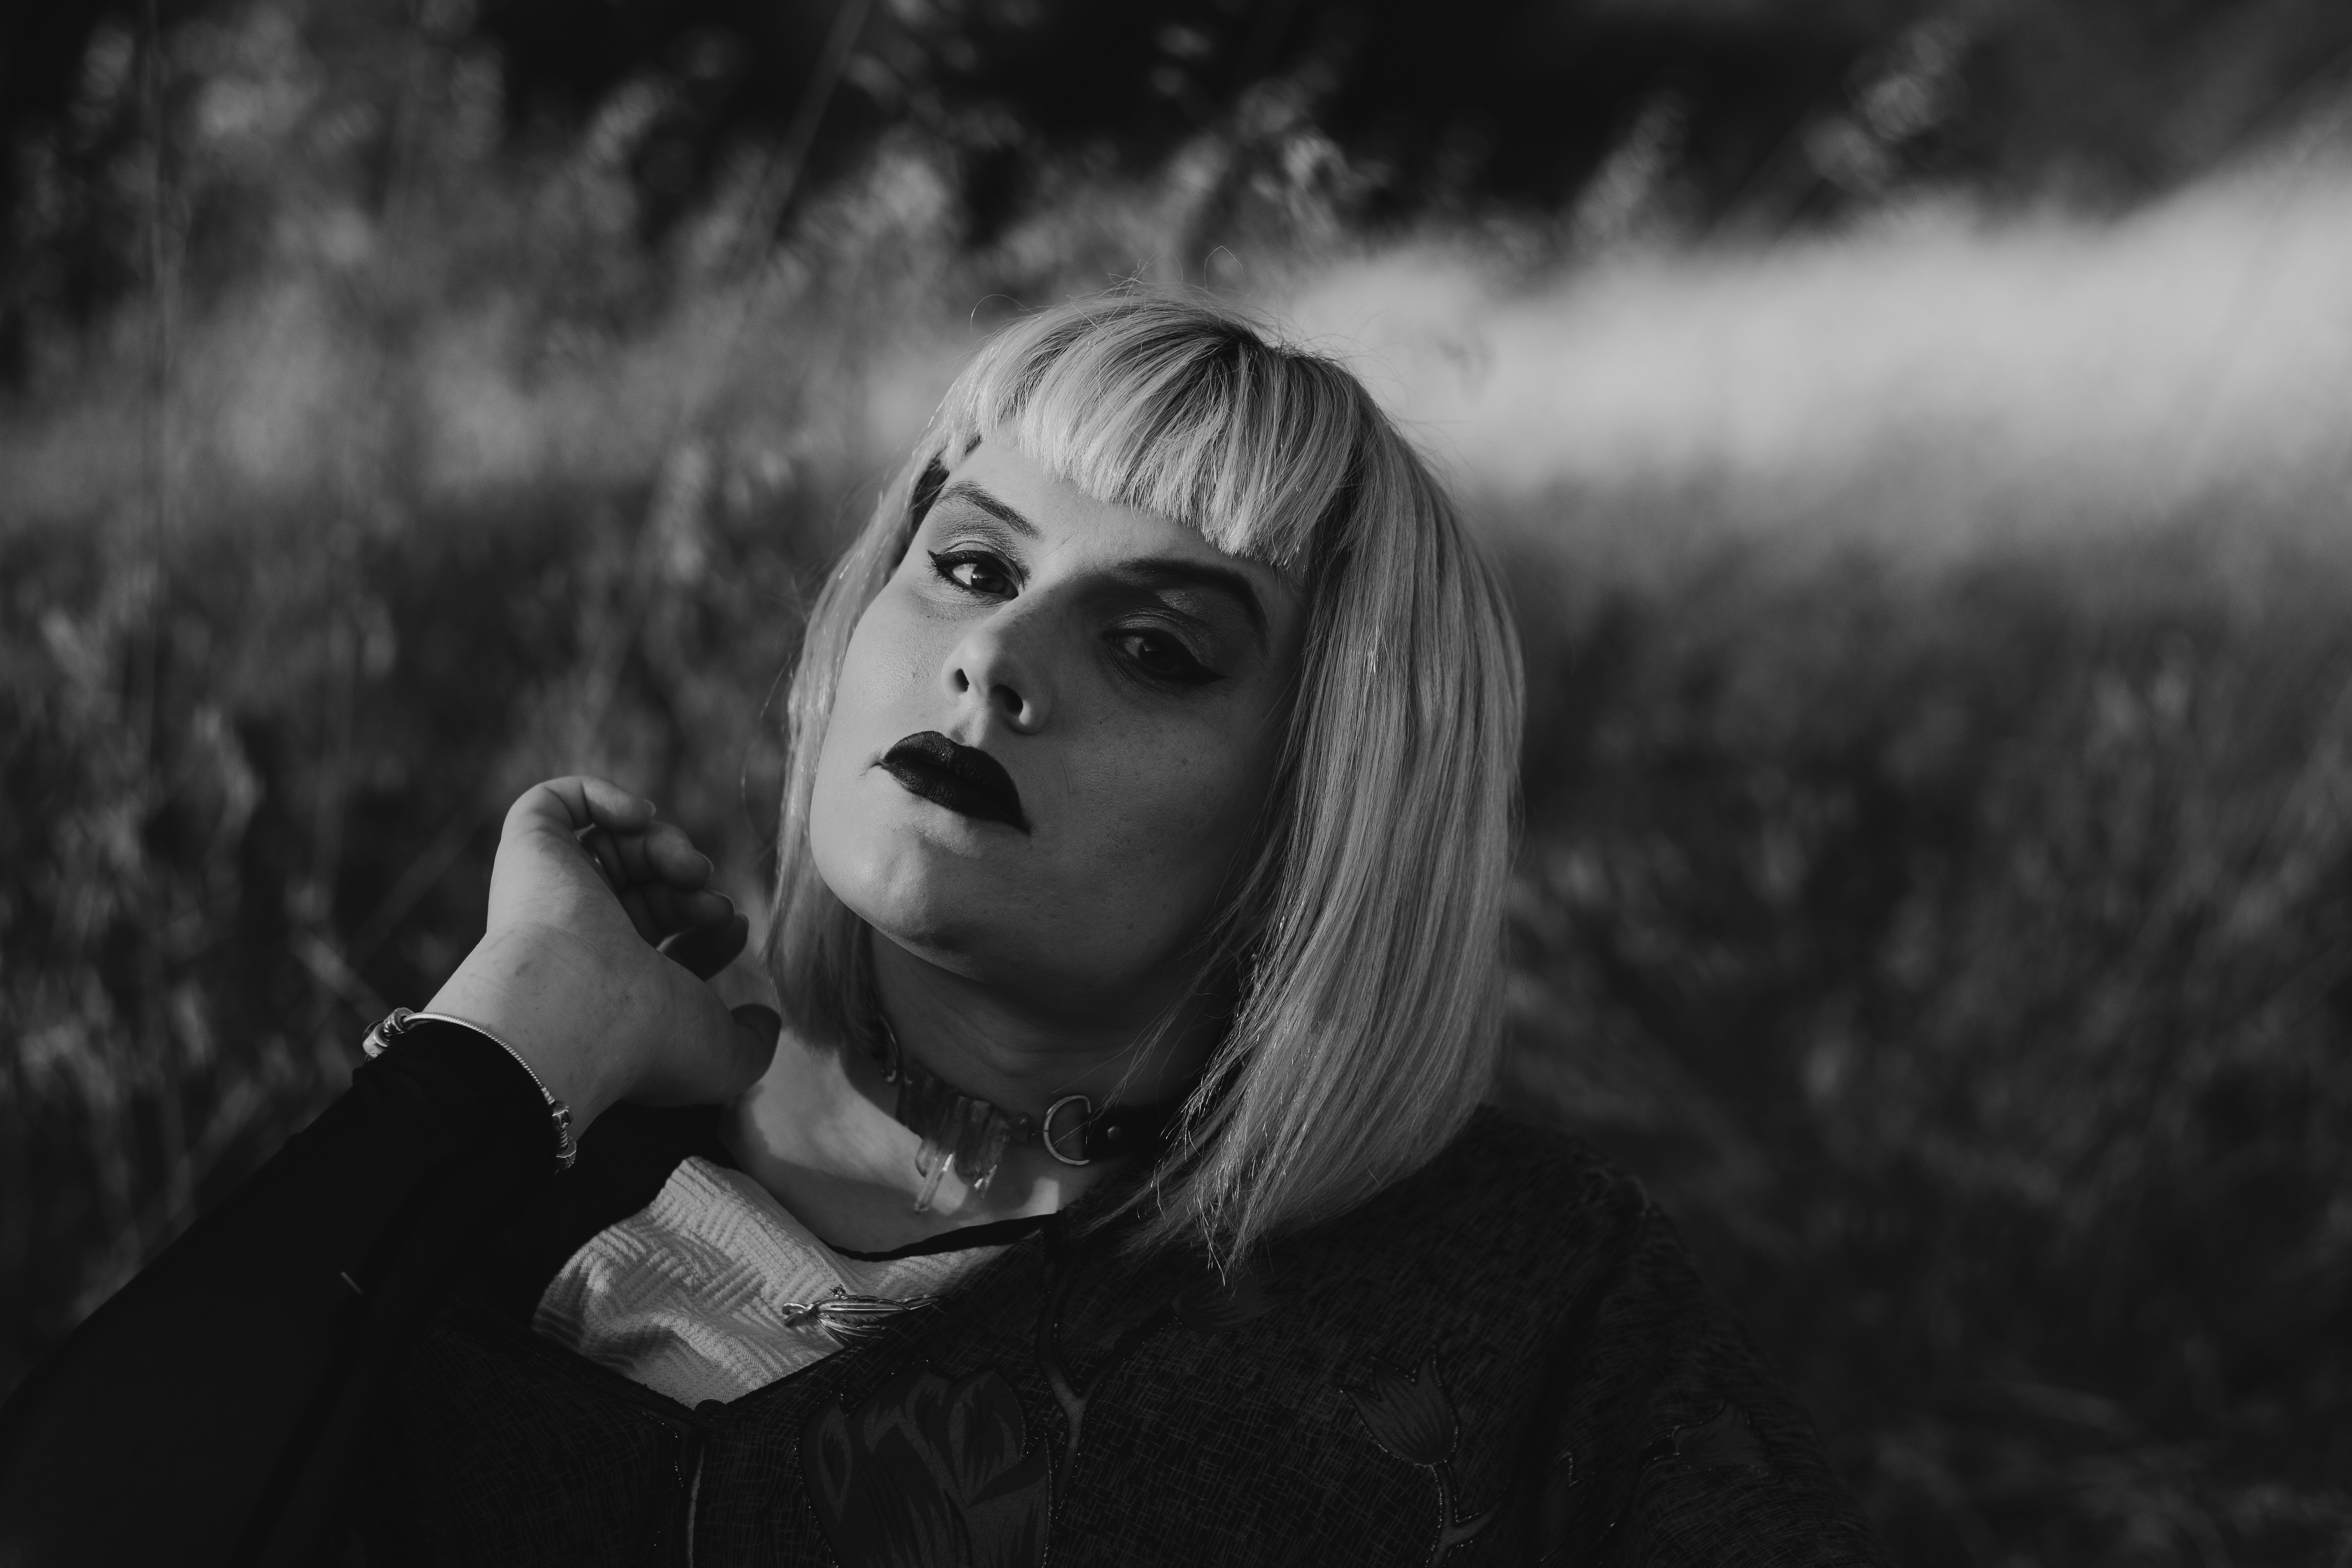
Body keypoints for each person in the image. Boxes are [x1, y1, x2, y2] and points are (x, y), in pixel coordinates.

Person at [0, 292, 1887, 1566]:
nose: (995, 654)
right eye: (971, 562)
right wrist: (496, 1046)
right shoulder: (526, 1148)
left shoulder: (1515, 1289)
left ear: (1328, 802)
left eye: (1154, 647)